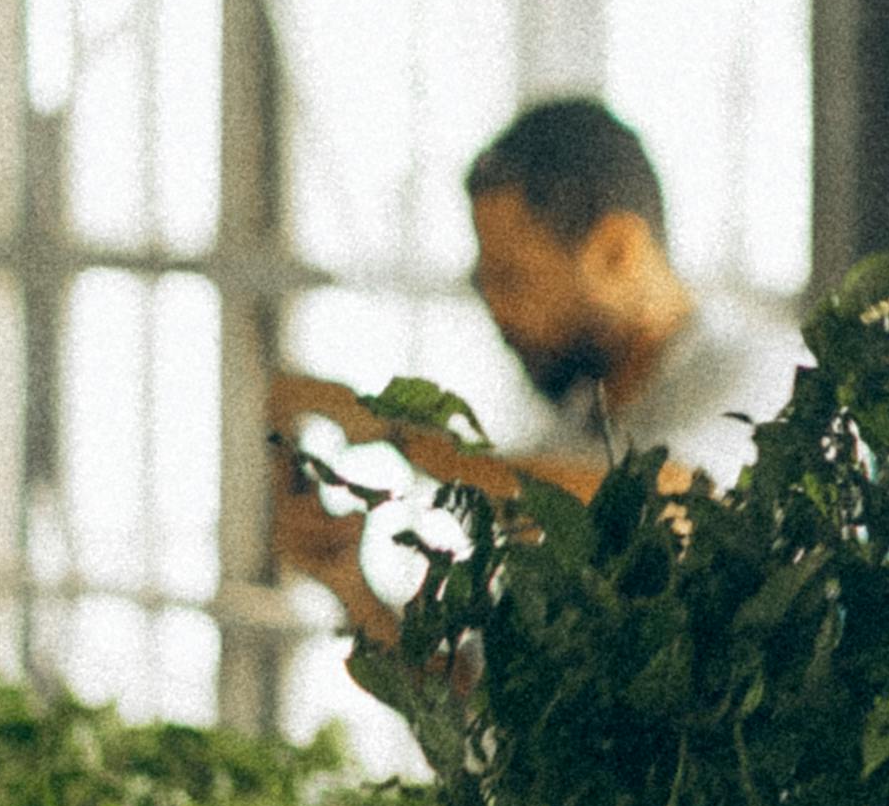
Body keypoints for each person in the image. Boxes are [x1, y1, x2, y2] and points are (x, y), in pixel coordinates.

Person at [271, 97, 808, 644]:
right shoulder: (572, 438)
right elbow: (485, 712)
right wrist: (351, 588)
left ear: (618, 250)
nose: (497, 313)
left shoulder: (765, 374)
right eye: (485, 285)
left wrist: (399, 434)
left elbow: (669, 511)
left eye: (513, 278)